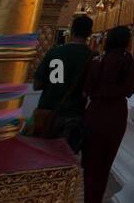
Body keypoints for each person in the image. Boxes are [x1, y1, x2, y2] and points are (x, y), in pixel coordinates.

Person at [75, 26, 134, 203]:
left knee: (92, 172)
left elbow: (86, 89)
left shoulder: (97, 61)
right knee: (102, 169)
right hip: (116, 116)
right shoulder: (127, 61)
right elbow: (129, 90)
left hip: (96, 114)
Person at [28, 13, 94, 147]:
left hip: (48, 110)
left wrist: (56, 83)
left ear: (72, 31)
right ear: (90, 33)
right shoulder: (92, 57)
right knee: (65, 157)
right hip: (74, 114)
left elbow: (36, 84)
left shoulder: (55, 53)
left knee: (40, 154)